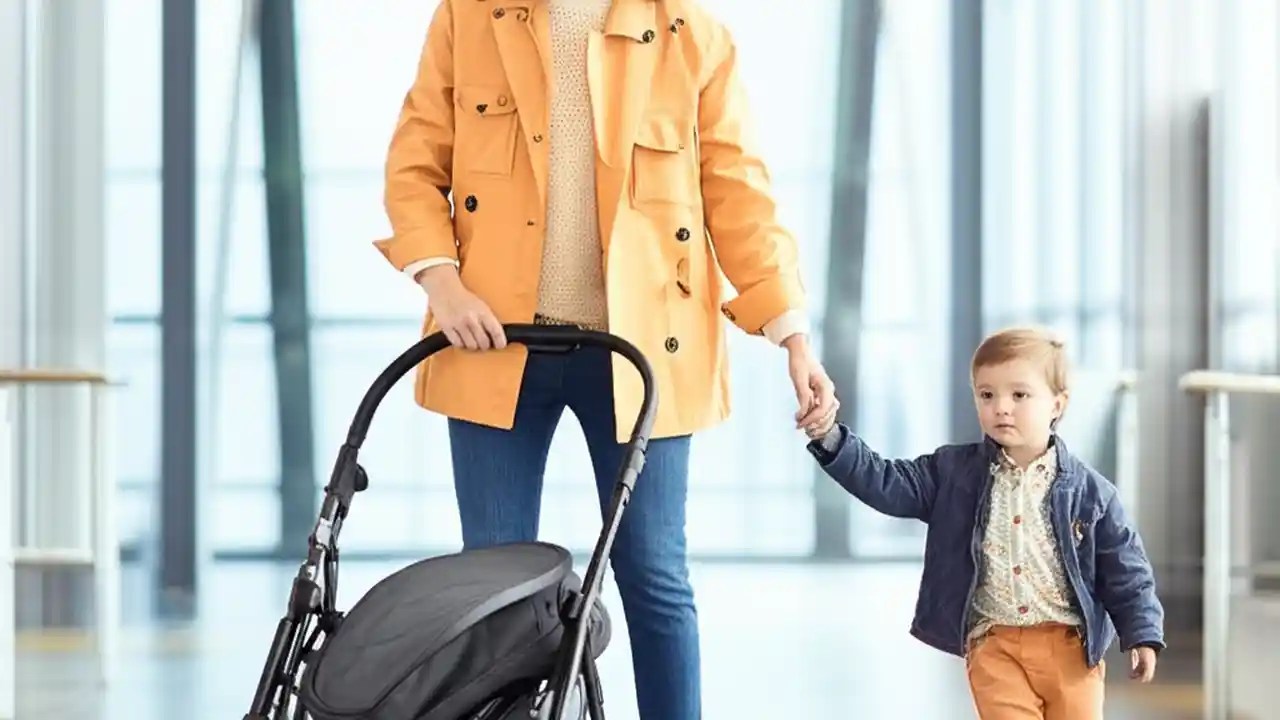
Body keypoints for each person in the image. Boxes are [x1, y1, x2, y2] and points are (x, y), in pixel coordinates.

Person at [374, 1, 836, 717]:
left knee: (654, 573)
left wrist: (794, 337)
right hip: (494, 342)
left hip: (643, 353)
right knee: (490, 586)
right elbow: (414, 161)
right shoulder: (468, 17)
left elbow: (739, 193)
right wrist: (445, 283)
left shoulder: (694, 37)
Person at [802, 327, 1164, 719]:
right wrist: (829, 436)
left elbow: (1126, 571)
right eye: (987, 394)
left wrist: (1141, 633)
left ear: (1058, 404)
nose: (1001, 407)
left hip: (1072, 651)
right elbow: (885, 481)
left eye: (1019, 395)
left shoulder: (1093, 493)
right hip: (995, 646)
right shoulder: (952, 473)